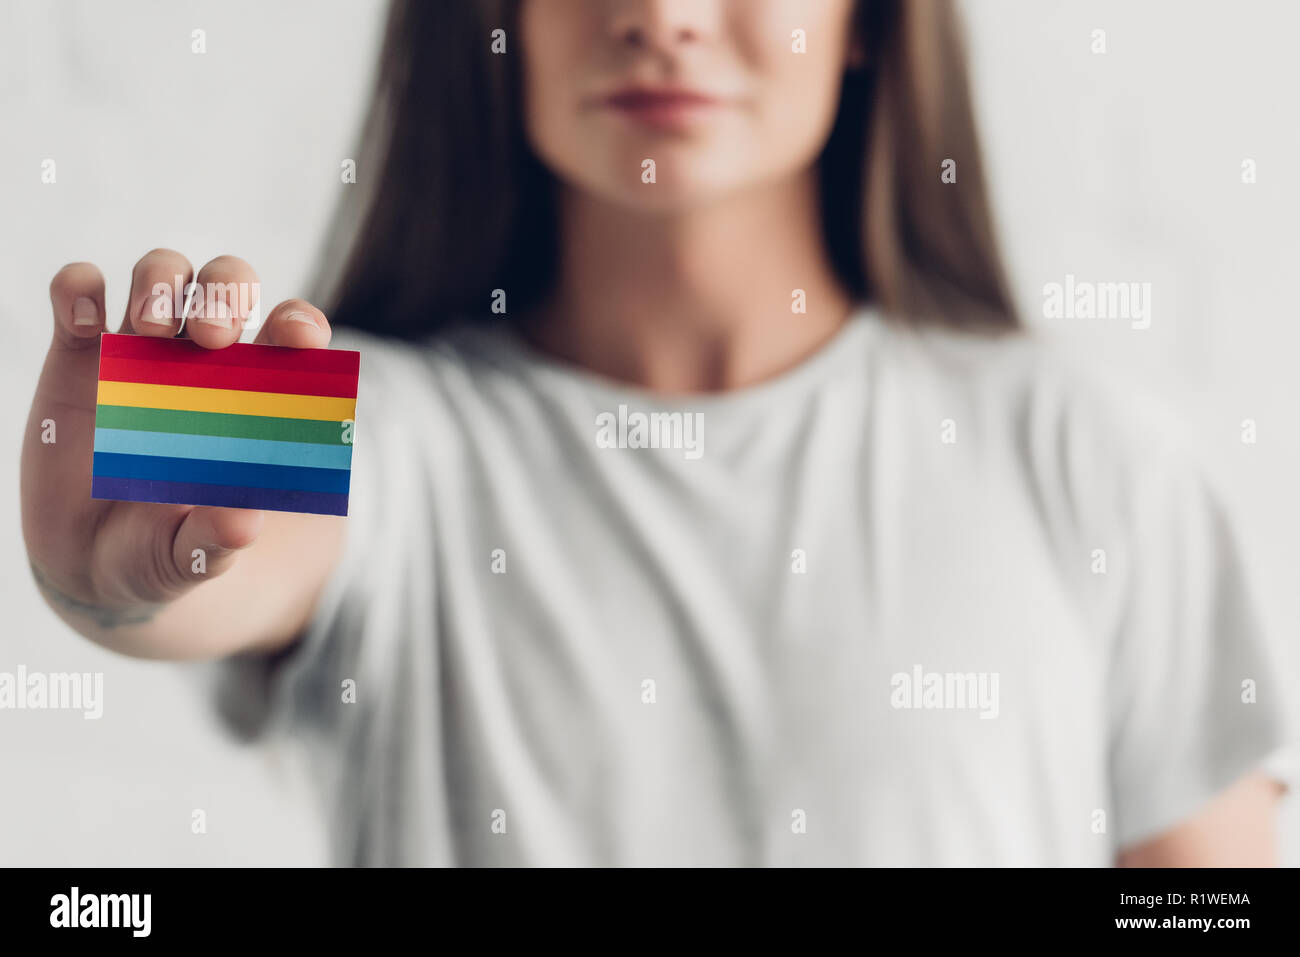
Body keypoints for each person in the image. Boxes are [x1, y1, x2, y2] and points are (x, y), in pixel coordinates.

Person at [21, 0, 1292, 866]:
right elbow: (222, 546)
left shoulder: (1091, 458)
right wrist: (119, 578)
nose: (661, 14)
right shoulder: (395, 435)